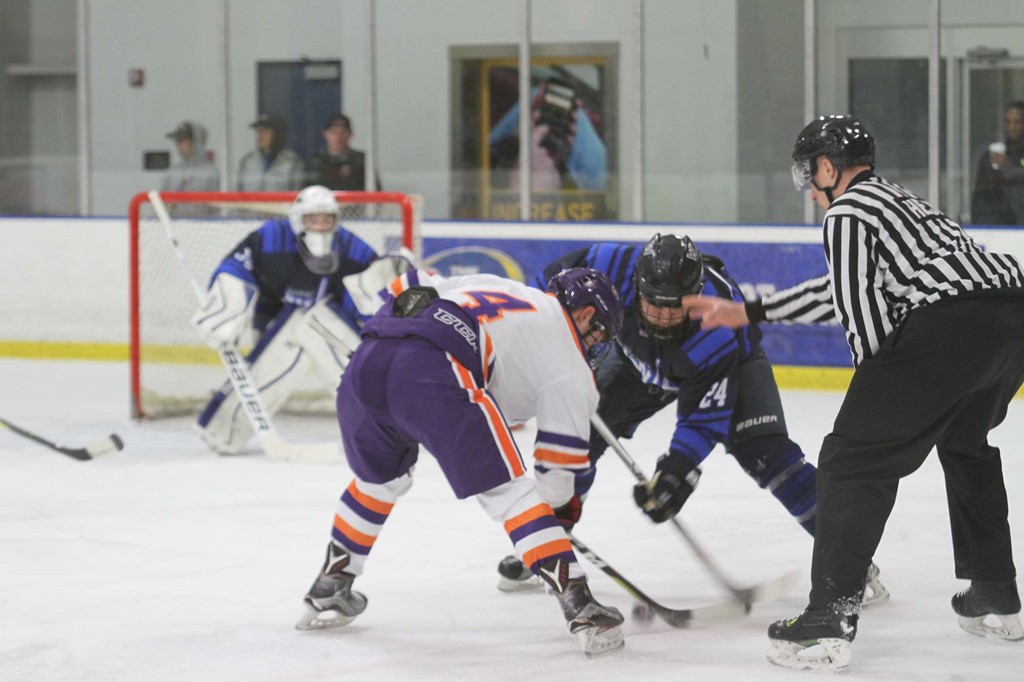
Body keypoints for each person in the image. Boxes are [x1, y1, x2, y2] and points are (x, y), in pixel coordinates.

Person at [686, 114, 1024, 672]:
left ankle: (829, 617)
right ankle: (994, 591)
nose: (811, 192)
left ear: (826, 167)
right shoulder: (898, 201)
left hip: (950, 327)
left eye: (808, 175)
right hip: (1011, 318)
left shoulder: (844, 212)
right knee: (966, 445)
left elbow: (863, 321)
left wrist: (876, 406)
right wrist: (748, 312)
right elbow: (840, 286)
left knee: (849, 461)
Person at [495, 235, 887, 611]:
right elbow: (537, 296)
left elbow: (702, 420)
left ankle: (851, 564)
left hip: (731, 365)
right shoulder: (608, 263)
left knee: (772, 458)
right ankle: (547, 546)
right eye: (655, 304)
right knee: (578, 439)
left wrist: (675, 473)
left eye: (676, 305)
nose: (664, 316)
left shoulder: (714, 329)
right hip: (637, 363)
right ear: (636, 284)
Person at [294, 267, 628, 658]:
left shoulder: (498, 285)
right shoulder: (570, 362)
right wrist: (559, 516)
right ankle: (581, 606)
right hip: (435, 367)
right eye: (600, 332)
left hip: (370, 354)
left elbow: (407, 283)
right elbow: (556, 470)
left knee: (378, 482)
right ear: (587, 314)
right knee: (512, 493)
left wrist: (391, 346)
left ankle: (331, 584)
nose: (596, 342)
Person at [190, 185, 403, 454]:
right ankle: (225, 428)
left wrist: (391, 279)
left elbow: (367, 291)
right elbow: (236, 264)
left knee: (354, 364)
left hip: (325, 324)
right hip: (271, 322)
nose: (321, 226)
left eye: (327, 219)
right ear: (298, 219)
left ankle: (388, 427)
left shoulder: (350, 248)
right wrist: (228, 303)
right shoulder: (272, 238)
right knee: (273, 360)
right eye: (313, 219)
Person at [970, 100, 1024, 225]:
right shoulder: (991, 157)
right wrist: (983, 226)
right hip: (997, 231)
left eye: (1018, 122)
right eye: (1008, 122)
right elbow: (981, 196)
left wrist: (1011, 170)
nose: (1012, 127)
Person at [302, 113, 380, 191]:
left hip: (354, 202)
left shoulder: (361, 161)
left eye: (343, 132)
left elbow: (374, 190)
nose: (338, 137)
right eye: (333, 132)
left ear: (350, 134)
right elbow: (305, 191)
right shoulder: (315, 162)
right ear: (325, 134)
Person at [236, 113, 301, 191]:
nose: (260, 135)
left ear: (277, 133)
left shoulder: (291, 163)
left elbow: (297, 197)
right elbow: (239, 195)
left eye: (264, 131)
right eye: (258, 131)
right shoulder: (247, 162)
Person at [162, 121, 220, 195]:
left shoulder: (210, 174)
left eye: (183, 140)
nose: (178, 144)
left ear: (196, 142)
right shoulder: (173, 172)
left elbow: (217, 203)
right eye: (177, 140)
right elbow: (163, 200)